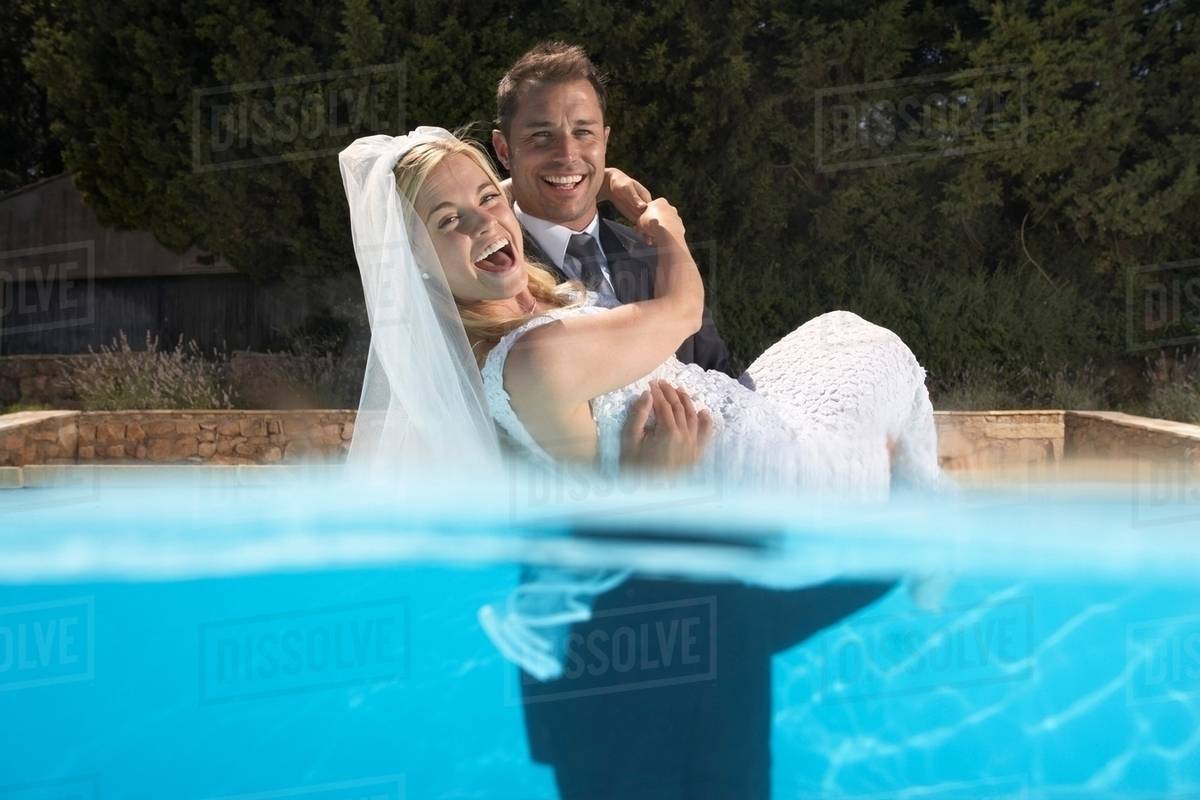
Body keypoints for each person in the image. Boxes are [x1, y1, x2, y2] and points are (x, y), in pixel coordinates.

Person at [338, 118, 941, 798]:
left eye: (489, 197)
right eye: (449, 219)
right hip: (650, 638)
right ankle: (915, 538)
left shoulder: (479, 348)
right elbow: (682, 310)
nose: (484, 223)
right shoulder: (534, 356)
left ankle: (912, 541)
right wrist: (661, 224)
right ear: (414, 256)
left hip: (690, 606)